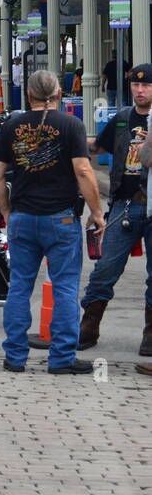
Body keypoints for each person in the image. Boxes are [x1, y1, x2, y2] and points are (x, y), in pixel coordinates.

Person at [0, 70, 104, 374]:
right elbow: (83, 171)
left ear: (29, 95)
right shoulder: (71, 125)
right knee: (65, 288)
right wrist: (96, 212)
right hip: (61, 219)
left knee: (19, 287)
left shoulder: (13, 125)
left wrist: (5, 211)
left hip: (23, 218)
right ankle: (62, 359)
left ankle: (14, 357)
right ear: (58, 94)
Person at [77, 63, 152, 356]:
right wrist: (70, 141)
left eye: (146, 86)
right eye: (136, 85)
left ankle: (149, 335)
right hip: (125, 205)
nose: (141, 90)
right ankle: (89, 326)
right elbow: (98, 146)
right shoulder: (122, 119)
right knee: (105, 269)